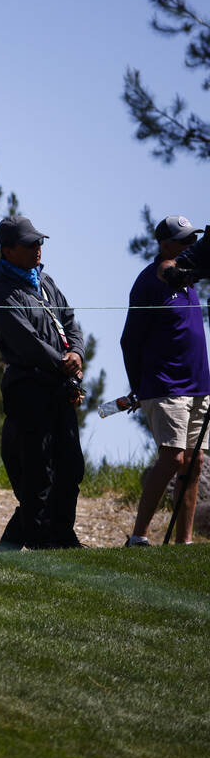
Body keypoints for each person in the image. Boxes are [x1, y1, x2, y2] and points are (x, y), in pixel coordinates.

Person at [0, 216, 86, 550]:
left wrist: (77, 354)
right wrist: (64, 363)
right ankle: (36, 541)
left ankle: (61, 534)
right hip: (29, 389)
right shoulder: (2, 291)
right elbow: (26, 341)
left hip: (59, 386)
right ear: (8, 250)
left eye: (39, 243)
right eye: (29, 245)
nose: (37, 250)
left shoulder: (45, 282)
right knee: (38, 473)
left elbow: (70, 320)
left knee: (71, 467)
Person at [122, 215, 209, 546]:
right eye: (185, 241)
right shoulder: (148, 282)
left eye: (193, 240)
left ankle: (183, 542)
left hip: (199, 384)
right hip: (165, 385)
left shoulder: (187, 278)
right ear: (165, 244)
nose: (191, 246)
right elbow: (130, 340)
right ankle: (139, 535)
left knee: (195, 460)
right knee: (172, 457)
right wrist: (138, 387)